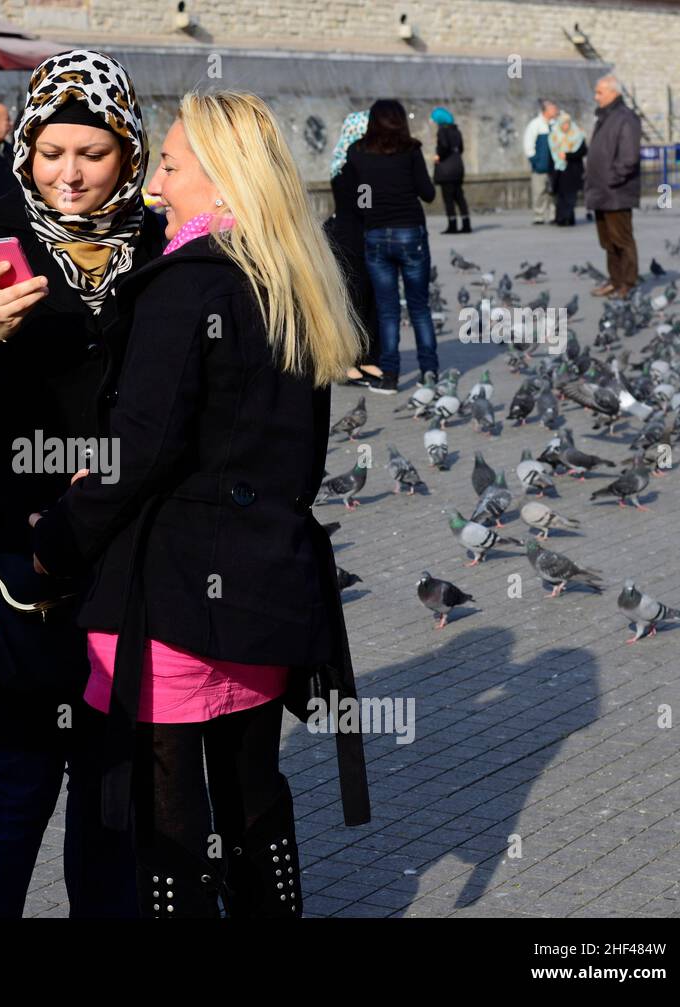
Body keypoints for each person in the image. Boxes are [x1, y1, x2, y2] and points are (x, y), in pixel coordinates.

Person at [29, 90, 372, 918]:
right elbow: (303, 452)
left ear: (223, 181)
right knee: (254, 787)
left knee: (169, 810)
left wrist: (57, 541)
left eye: (172, 166)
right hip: (264, 585)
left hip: (176, 592)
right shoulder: (294, 273)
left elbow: (139, 450)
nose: (154, 186)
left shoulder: (189, 286)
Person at [0, 50, 168, 917]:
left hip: (128, 560)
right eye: (51, 152)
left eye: (92, 154)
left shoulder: (163, 243)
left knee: (113, 797)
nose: (69, 174)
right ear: (24, 146)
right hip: (12, 566)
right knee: (13, 787)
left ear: (128, 150)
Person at [347, 98, 438, 393]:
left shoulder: (357, 152)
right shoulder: (411, 151)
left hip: (375, 235)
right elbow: (428, 194)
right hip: (410, 233)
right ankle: (429, 373)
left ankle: (389, 377)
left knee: (388, 310)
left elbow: (356, 199)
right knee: (420, 308)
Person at [323, 110, 380, 389]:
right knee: (361, 297)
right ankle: (353, 362)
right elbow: (364, 206)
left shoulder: (340, 162)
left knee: (353, 297)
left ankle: (357, 359)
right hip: (356, 237)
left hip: (343, 234)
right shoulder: (357, 166)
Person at [585, 75, 642, 298]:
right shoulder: (605, 117)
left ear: (613, 93)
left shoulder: (625, 118)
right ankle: (615, 279)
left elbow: (629, 157)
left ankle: (627, 283)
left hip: (616, 191)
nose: (595, 96)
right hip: (600, 190)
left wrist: (612, 179)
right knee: (608, 241)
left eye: (599, 92)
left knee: (622, 239)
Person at [431, 106, 469, 234]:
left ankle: (452, 225)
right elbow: (461, 148)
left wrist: (438, 156)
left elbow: (444, 146)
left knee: (448, 198)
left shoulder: (442, 131)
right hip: (458, 167)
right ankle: (466, 223)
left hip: (446, 170)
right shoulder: (456, 130)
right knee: (459, 197)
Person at [523, 99, 558, 225]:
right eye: (553, 109)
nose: (555, 111)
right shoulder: (536, 124)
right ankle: (539, 215)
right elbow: (529, 144)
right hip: (540, 164)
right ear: (546, 111)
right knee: (539, 191)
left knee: (553, 191)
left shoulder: (555, 124)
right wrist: (535, 161)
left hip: (554, 165)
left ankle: (553, 214)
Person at [549, 112, 587, 227]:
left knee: (571, 196)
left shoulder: (577, 135)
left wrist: (568, 155)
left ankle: (569, 217)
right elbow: (551, 153)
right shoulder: (554, 136)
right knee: (560, 197)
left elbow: (583, 151)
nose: (565, 126)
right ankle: (560, 218)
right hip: (559, 170)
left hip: (573, 169)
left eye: (567, 123)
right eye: (563, 124)